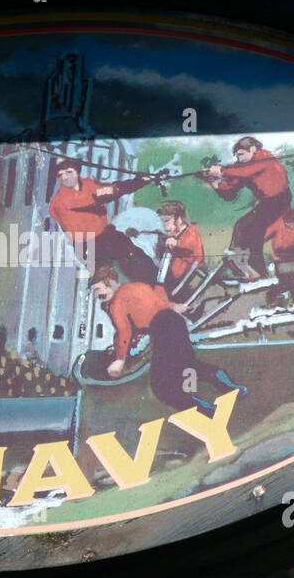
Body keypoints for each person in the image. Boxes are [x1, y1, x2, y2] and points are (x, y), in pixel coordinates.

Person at [90, 266, 246, 417]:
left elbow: (124, 331)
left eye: (98, 290)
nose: (98, 295)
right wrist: (173, 306)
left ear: (109, 282)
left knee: (162, 387)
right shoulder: (137, 286)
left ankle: (207, 411)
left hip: (163, 330)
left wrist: (119, 360)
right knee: (188, 367)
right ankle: (232, 388)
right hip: (175, 322)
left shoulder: (116, 304)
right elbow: (159, 305)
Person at [48, 157, 157, 284]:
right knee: (105, 279)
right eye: (60, 175)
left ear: (77, 171)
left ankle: (157, 282)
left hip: (106, 235)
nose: (65, 177)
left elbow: (110, 188)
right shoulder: (59, 202)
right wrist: (136, 183)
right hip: (88, 245)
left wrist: (138, 181)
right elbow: (104, 194)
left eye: (69, 171)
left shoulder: (88, 184)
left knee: (136, 257)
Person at [205, 136, 291, 268]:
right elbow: (230, 193)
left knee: (253, 228)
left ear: (252, 149)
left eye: (241, 154)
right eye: (237, 156)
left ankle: (256, 268)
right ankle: (239, 262)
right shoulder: (243, 166)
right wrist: (216, 184)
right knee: (242, 226)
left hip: (280, 199)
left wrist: (221, 171)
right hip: (268, 202)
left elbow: (245, 172)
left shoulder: (264, 157)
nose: (239, 159)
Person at [155, 200, 205, 293]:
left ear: (178, 219)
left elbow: (190, 245)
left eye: (167, 221)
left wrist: (176, 243)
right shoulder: (174, 232)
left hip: (185, 267)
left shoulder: (191, 230)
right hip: (174, 268)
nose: (165, 225)